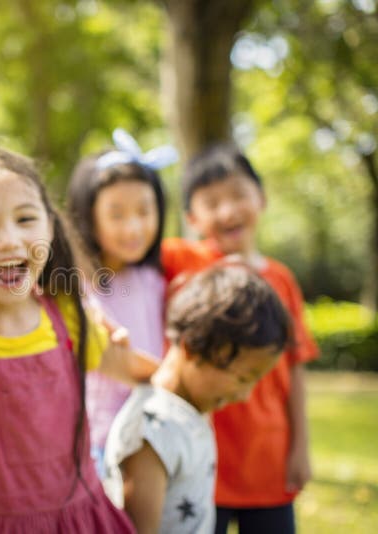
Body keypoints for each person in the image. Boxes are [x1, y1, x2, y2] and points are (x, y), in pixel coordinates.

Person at [0, 144, 160, 532]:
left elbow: (141, 373)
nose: (9, 240)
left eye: (25, 219)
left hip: (85, 519)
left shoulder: (69, 315)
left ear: (49, 226)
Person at [160, 143, 319, 534]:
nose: (227, 211)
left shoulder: (282, 280)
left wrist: (300, 448)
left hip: (268, 460)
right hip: (201, 460)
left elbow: (295, 370)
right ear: (192, 218)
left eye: (238, 195)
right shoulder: (184, 260)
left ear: (261, 199)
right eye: (212, 203)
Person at [104, 264, 291, 534]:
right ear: (192, 348)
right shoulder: (151, 430)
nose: (245, 395)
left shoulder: (188, 409)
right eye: (241, 378)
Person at [67, 128, 176, 476]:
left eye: (145, 211)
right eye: (116, 214)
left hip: (154, 441)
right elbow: (116, 362)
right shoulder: (77, 288)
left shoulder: (155, 280)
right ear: (89, 215)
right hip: (97, 446)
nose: (133, 228)